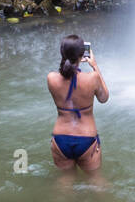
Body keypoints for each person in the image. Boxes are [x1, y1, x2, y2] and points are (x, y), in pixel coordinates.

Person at [47, 34, 109, 171]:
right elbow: (104, 98)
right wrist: (95, 66)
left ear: (62, 53)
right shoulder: (92, 78)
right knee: (96, 183)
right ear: (82, 55)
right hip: (86, 138)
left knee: (65, 184)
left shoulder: (51, 78)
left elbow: (66, 76)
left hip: (60, 138)